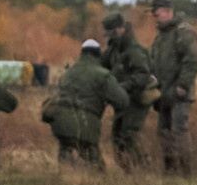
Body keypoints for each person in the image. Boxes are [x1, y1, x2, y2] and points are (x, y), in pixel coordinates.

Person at [43, 37, 131, 167]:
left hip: (59, 123)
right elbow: (122, 101)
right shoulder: (103, 75)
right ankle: (90, 181)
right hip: (85, 125)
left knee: (66, 157)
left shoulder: (68, 73)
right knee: (95, 166)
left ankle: (64, 180)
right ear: (98, 54)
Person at [146, 0, 197, 175]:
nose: (155, 17)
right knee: (164, 133)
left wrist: (182, 86)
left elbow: (191, 62)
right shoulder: (160, 39)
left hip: (179, 94)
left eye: (158, 12)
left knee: (179, 132)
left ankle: (185, 173)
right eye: (154, 14)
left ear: (168, 11)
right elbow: (153, 65)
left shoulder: (183, 34)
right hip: (162, 94)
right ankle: (170, 171)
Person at [101, 10, 157, 168]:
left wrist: (123, 86)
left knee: (129, 134)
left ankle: (143, 169)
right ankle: (127, 169)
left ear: (120, 29)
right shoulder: (113, 50)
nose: (110, 36)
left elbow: (143, 74)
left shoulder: (134, 51)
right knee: (117, 136)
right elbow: (102, 65)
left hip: (137, 99)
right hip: (122, 100)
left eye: (112, 32)